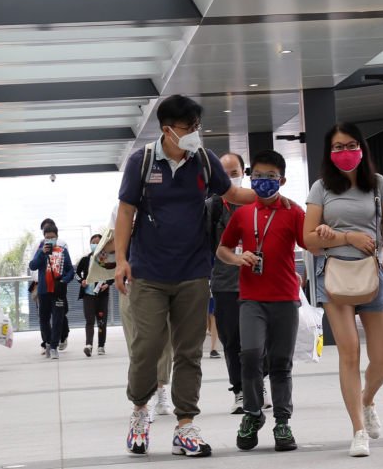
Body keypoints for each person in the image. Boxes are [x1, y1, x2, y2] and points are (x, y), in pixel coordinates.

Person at [114, 93, 256, 457]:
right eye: (188, 127)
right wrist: (122, 260)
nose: (195, 132)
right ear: (167, 130)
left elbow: (231, 192)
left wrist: (267, 196)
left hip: (193, 271)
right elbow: (126, 211)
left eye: (197, 125)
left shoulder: (204, 160)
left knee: (189, 351)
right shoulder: (142, 162)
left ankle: (185, 425)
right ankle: (140, 411)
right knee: (147, 347)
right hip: (149, 272)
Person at [303, 122, 383, 458]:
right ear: (329, 152)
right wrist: (345, 237)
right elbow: (308, 238)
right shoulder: (321, 188)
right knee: (350, 352)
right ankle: (358, 430)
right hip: (334, 274)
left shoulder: (378, 184)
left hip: (373, 272)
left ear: (361, 147)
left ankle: (367, 399)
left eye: (350, 145)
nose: (344, 152)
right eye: (337, 147)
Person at [218, 148, 306, 453]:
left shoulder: (294, 212)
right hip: (251, 299)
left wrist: (324, 230)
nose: (263, 181)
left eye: (270, 176)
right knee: (251, 355)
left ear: (282, 180)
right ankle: (253, 414)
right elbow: (222, 249)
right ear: (249, 177)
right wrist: (237, 258)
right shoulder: (243, 213)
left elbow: (311, 243)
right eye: (257, 176)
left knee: (281, 362)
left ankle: (282, 421)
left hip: (285, 298)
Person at [208, 152, 246, 414]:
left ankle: (258, 383)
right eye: (225, 174)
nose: (231, 179)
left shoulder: (256, 202)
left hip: (258, 282)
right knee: (231, 340)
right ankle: (240, 391)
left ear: (244, 173)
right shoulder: (212, 207)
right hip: (224, 284)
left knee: (259, 340)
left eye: (235, 173)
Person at [31, 218, 77, 360]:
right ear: (44, 238)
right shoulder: (40, 251)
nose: (50, 240)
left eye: (52, 237)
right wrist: (41, 253)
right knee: (44, 319)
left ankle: (54, 347)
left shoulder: (63, 251)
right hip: (43, 291)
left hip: (58, 291)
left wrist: (64, 280)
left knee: (58, 319)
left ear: (57, 237)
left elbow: (70, 270)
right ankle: (48, 342)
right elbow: (33, 265)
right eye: (47, 238)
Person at [78, 231, 113, 356]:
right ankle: (89, 345)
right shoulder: (85, 259)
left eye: (98, 243)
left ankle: (101, 346)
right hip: (88, 295)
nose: (95, 245)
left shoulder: (107, 259)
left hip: (102, 296)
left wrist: (107, 284)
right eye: (93, 243)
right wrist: (81, 281)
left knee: (101, 322)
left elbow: (112, 274)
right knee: (89, 321)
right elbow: (77, 274)